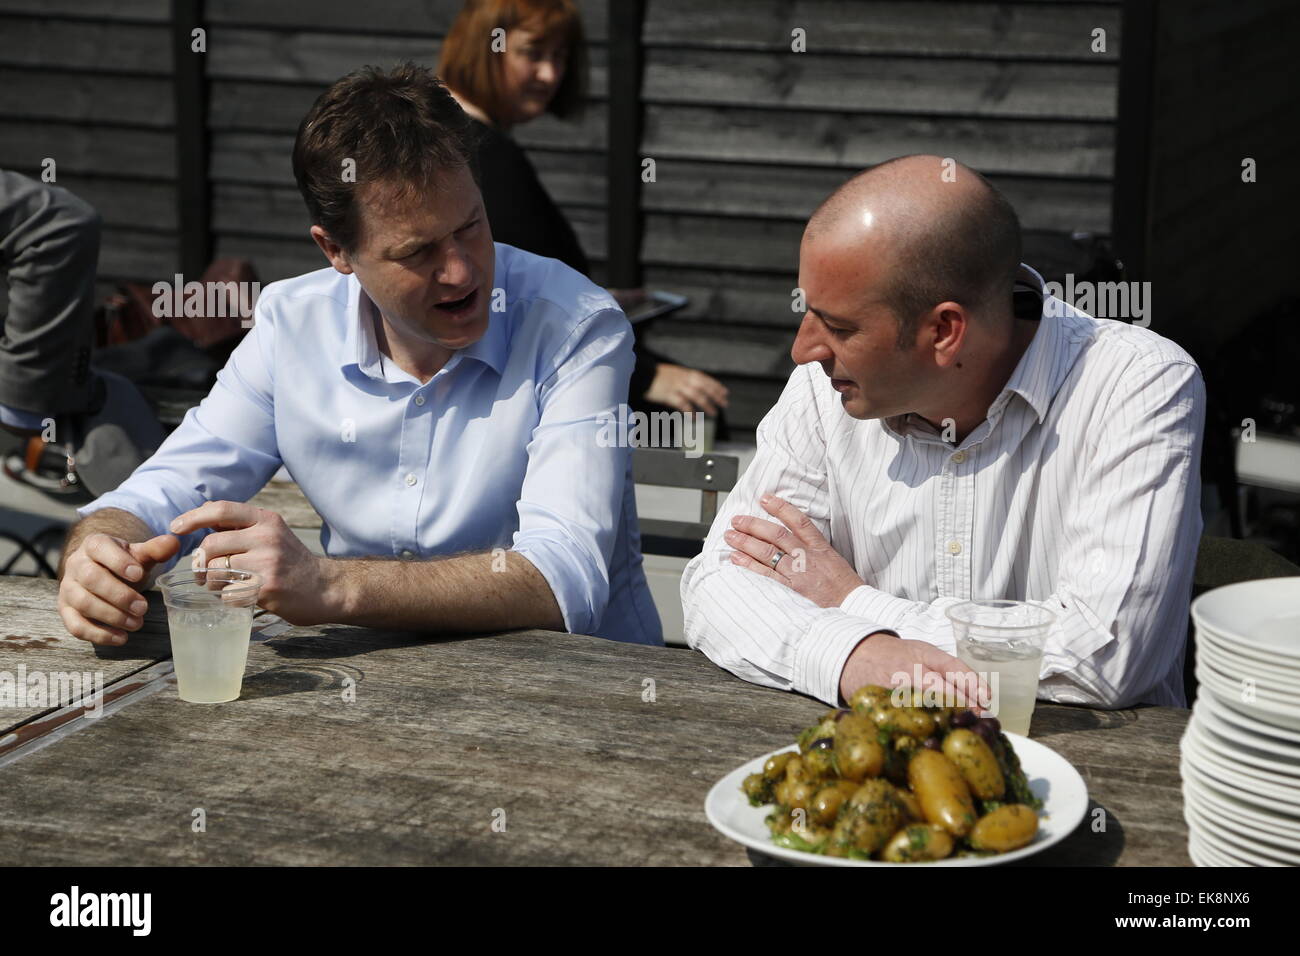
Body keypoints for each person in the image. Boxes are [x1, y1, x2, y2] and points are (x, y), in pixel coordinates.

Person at [57, 64, 662, 648]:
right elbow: (167, 489)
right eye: (416, 251)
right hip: (365, 690)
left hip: (581, 701)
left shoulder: (576, 324)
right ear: (336, 251)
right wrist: (100, 550)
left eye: (471, 225)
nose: (461, 270)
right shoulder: (290, 322)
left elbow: (566, 581)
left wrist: (331, 585)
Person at [681, 155, 1205, 710]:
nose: (803, 350)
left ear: (944, 331)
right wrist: (857, 658)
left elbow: (1105, 654)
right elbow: (721, 580)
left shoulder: (1139, 383)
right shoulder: (821, 387)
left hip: (1102, 779)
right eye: (810, 313)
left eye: (839, 327)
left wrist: (856, 604)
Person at [437, 0, 730, 419]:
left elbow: (514, 279)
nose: (550, 75)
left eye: (560, 57)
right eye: (532, 53)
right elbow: (519, 304)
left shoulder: (459, 141)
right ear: (482, 46)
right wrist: (645, 376)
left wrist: (598, 300)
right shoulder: (481, 154)